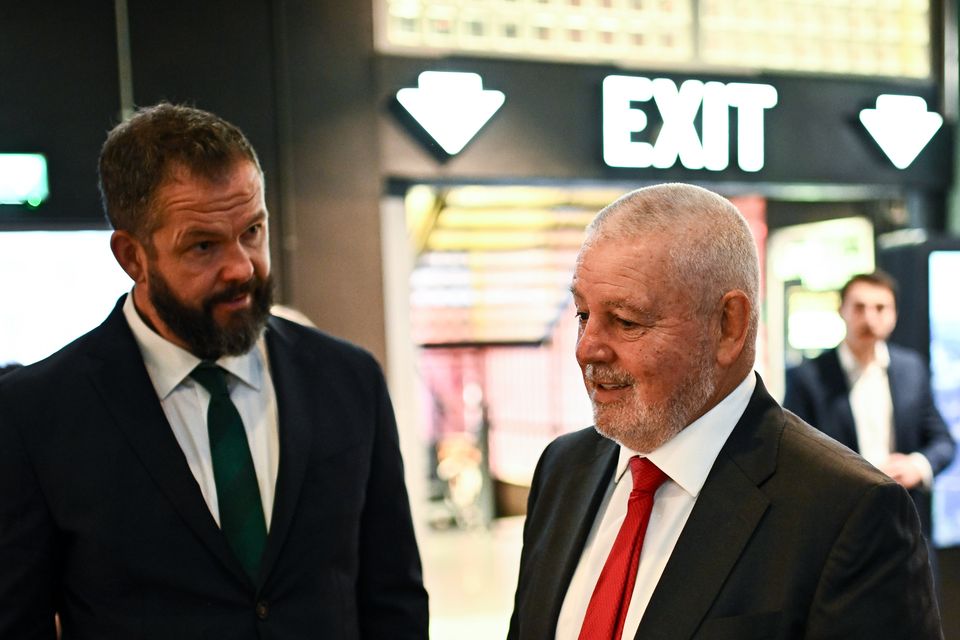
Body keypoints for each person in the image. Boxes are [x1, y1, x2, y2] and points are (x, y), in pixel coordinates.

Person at [0, 103, 428, 639]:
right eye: (203, 245)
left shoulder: (348, 380)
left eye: (252, 230)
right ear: (132, 256)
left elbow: (394, 598)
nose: (242, 267)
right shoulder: (36, 414)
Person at [507, 184, 941, 640]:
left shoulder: (847, 513)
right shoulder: (563, 469)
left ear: (728, 326)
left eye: (626, 321)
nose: (586, 349)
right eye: (581, 314)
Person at [783, 271, 955, 557]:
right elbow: (792, 452)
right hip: (838, 531)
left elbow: (942, 442)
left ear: (894, 315)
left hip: (905, 529)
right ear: (842, 310)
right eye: (859, 307)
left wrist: (918, 465)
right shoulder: (808, 377)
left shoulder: (911, 369)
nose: (869, 317)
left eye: (880, 308)